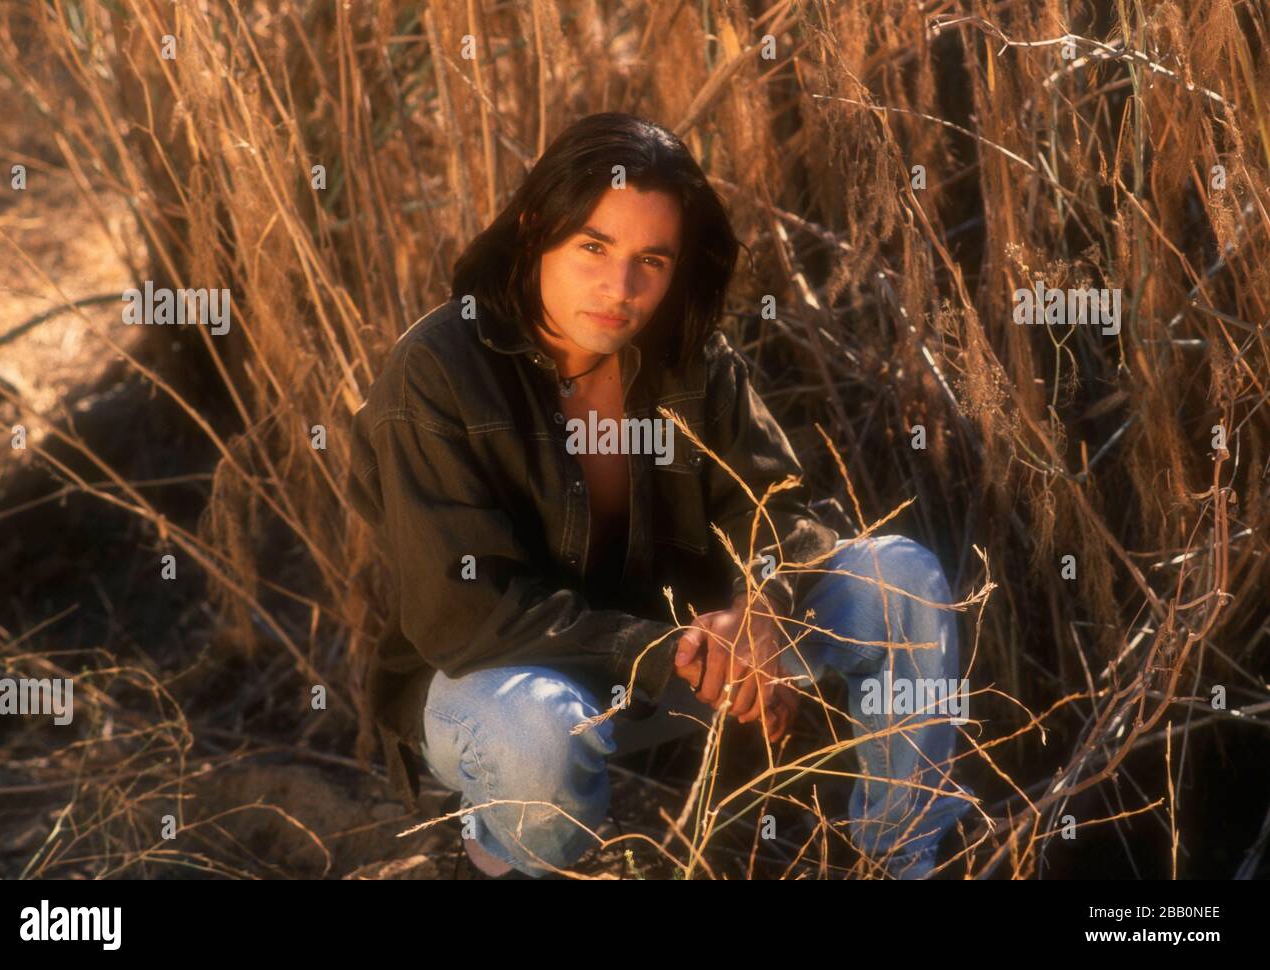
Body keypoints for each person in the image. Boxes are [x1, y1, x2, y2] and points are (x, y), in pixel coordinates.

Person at [347, 112, 975, 879]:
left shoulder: (691, 357)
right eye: (593, 248)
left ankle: (903, 863)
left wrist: (763, 612)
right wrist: (667, 650)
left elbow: (776, 505)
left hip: (693, 660)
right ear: (537, 226)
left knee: (901, 579)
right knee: (535, 737)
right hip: (503, 683)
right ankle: (503, 855)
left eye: (652, 259)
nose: (621, 289)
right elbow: (465, 615)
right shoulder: (438, 370)